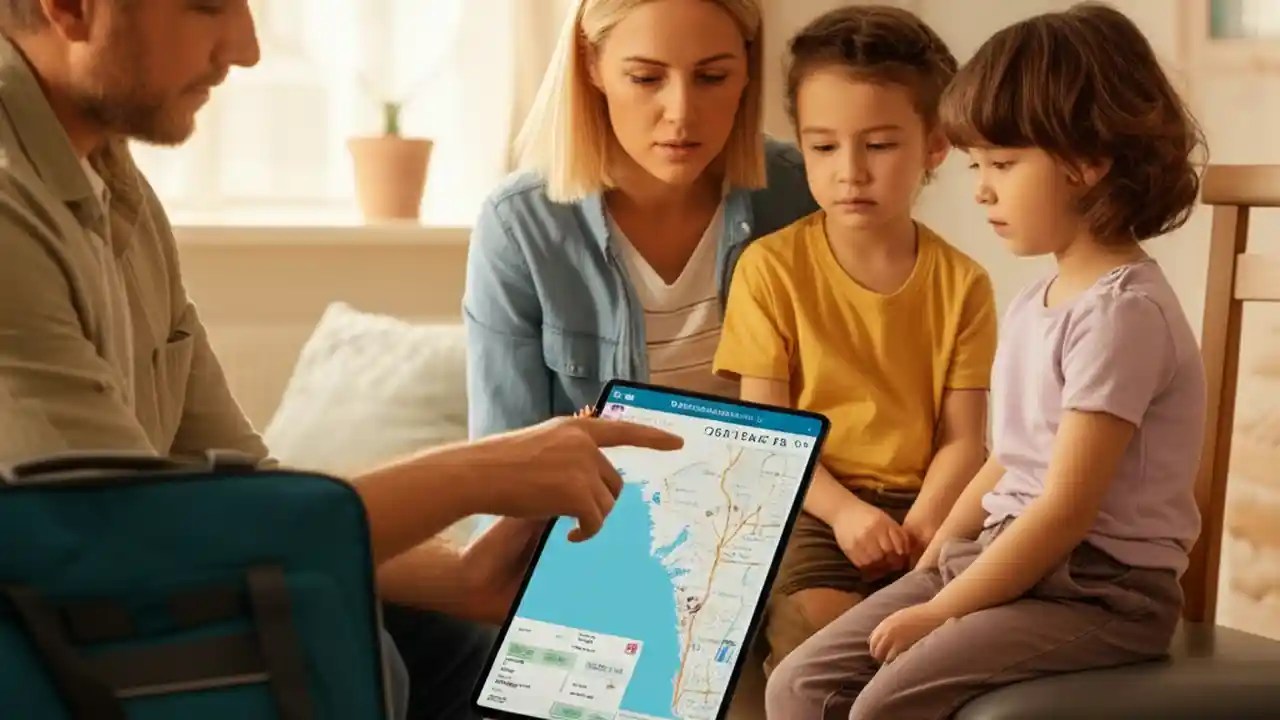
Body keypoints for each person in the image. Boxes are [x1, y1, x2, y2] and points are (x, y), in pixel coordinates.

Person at [0, 3, 682, 720]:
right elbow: (113, 546)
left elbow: (248, 494)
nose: (246, 48)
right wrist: (477, 474)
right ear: (70, 6)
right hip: (58, 632)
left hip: (115, 594)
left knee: (449, 641)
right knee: (359, 647)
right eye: (206, 5)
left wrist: (461, 576)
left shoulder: (115, 184)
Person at [765, 4, 1209, 717]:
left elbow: (1063, 510)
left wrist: (941, 611)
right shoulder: (1040, 299)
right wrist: (938, 556)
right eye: (977, 164)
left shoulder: (1123, 315)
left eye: (1003, 164)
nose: (981, 189)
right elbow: (1008, 457)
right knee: (799, 683)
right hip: (1013, 557)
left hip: (1101, 590)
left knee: (885, 701)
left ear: (1087, 161)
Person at [711, 5, 997, 672]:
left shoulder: (965, 284)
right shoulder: (771, 269)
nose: (850, 171)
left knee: (947, 644)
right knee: (828, 639)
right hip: (813, 502)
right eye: (823, 146)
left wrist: (927, 526)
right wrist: (845, 516)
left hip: (932, 505)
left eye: (879, 145)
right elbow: (767, 433)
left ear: (934, 146)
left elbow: (964, 439)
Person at [464, 0, 817, 439]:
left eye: (712, 77)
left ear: (747, 68)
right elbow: (503, 471)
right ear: (590, 63)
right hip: (597, 508)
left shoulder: (801, 191)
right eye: (646, 78)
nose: (681, 113)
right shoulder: (520, 225)